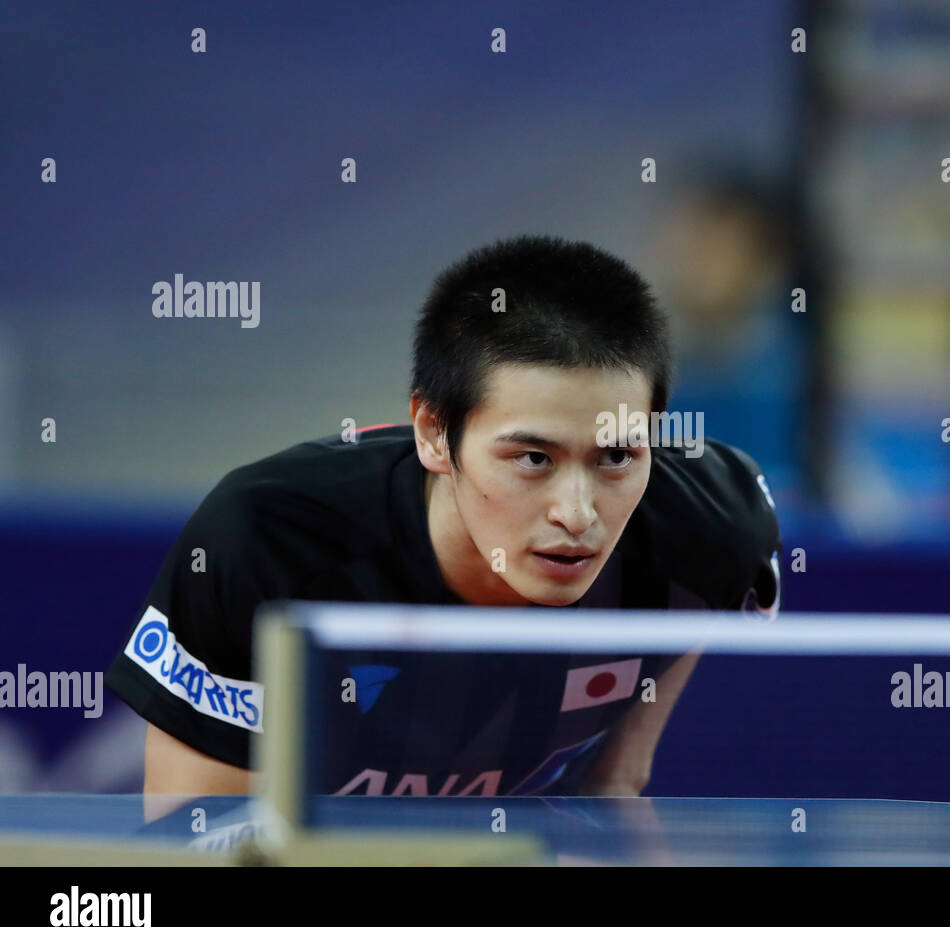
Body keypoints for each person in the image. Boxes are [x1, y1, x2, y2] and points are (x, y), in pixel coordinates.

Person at [107, 235, 781, 811]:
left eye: (616, 457)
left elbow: (615, 791)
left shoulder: (713, 529)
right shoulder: (266, 542)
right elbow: (202, 840)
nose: (577, 514)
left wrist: (613, 787)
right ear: (434, 434)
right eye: (532, 458)